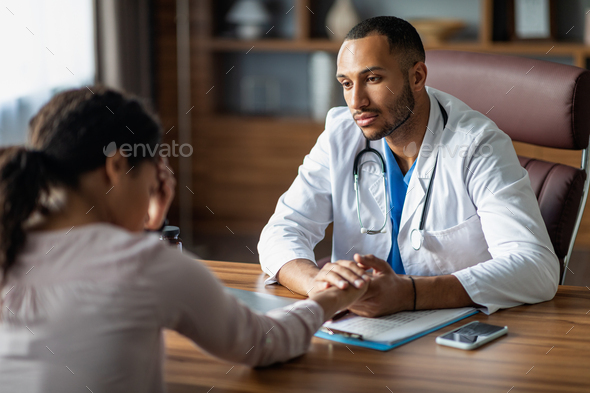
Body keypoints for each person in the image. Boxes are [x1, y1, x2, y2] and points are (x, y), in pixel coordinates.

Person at [0, 87, 368, 393]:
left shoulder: (10, 236)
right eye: (148, 182)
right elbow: (262, 342)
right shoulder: (146, 263)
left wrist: (146, 229)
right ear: (116, 167)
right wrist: (328, 299)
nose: (150, 196)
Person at [258, 16, 559, 317]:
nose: (356, 101)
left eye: (373, 79)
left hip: (452, 334)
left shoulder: (478, 145)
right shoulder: (341, 134)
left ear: (417, 77)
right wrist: (316, 284)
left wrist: (410, 294)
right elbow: (282, 231)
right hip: (359, 327)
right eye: (347, 83)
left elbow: (536, 267)